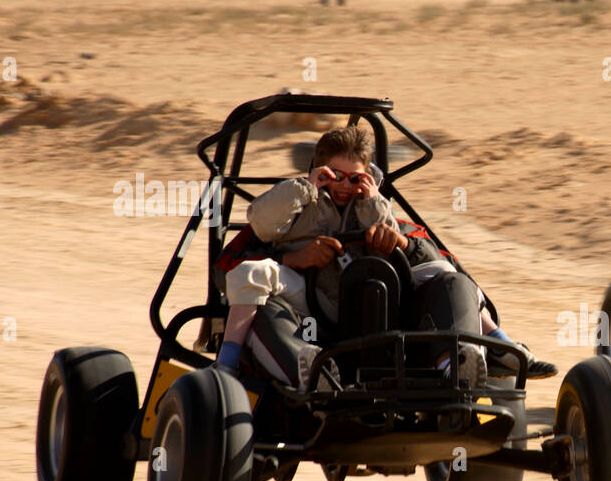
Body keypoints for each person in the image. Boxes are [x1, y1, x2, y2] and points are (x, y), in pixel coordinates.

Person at [214, 125, 556, 388]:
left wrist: (375, 205)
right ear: (320, 172)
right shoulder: (301, 201)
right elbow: (260, 222)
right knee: (251, 274)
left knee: (449, 275)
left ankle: (474, 356)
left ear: (368, 176)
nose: (345, 186)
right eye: (336, 176)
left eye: (355, 177)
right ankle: (233, 365)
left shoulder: (371, 203)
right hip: (308, 298)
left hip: (381, 300)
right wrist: (306, 188)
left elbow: (399, 239)